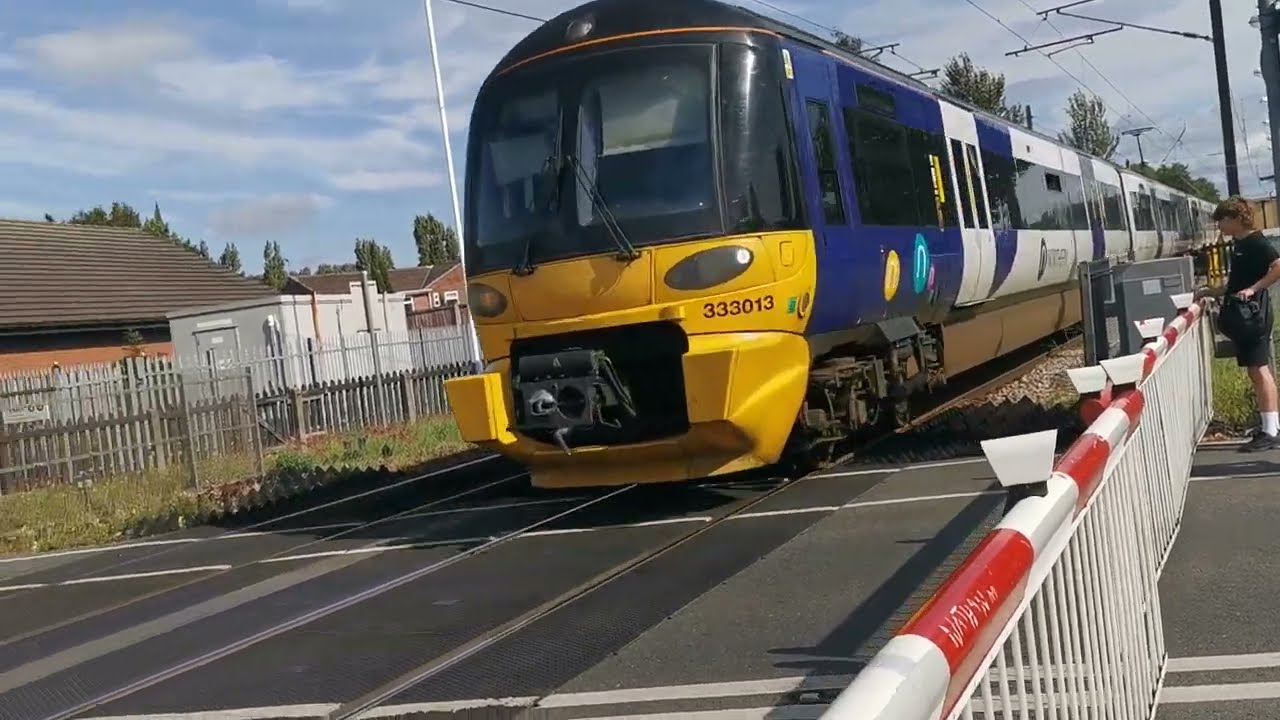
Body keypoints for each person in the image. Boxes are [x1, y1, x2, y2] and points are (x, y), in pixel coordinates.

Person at [1203, 196, 1280, 451]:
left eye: (1222, 221)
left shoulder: (1256, 242)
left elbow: (1278, 266)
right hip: (1246, 314)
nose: (1220, 227)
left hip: (1254, 315)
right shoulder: (1240, 244)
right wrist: (1211, 292)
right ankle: (1270, 426)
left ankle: (1272, 430)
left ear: (1235, 219)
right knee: (1256, 370)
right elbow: (1236, 283)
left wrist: (1253, 289)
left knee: (1260, 369)